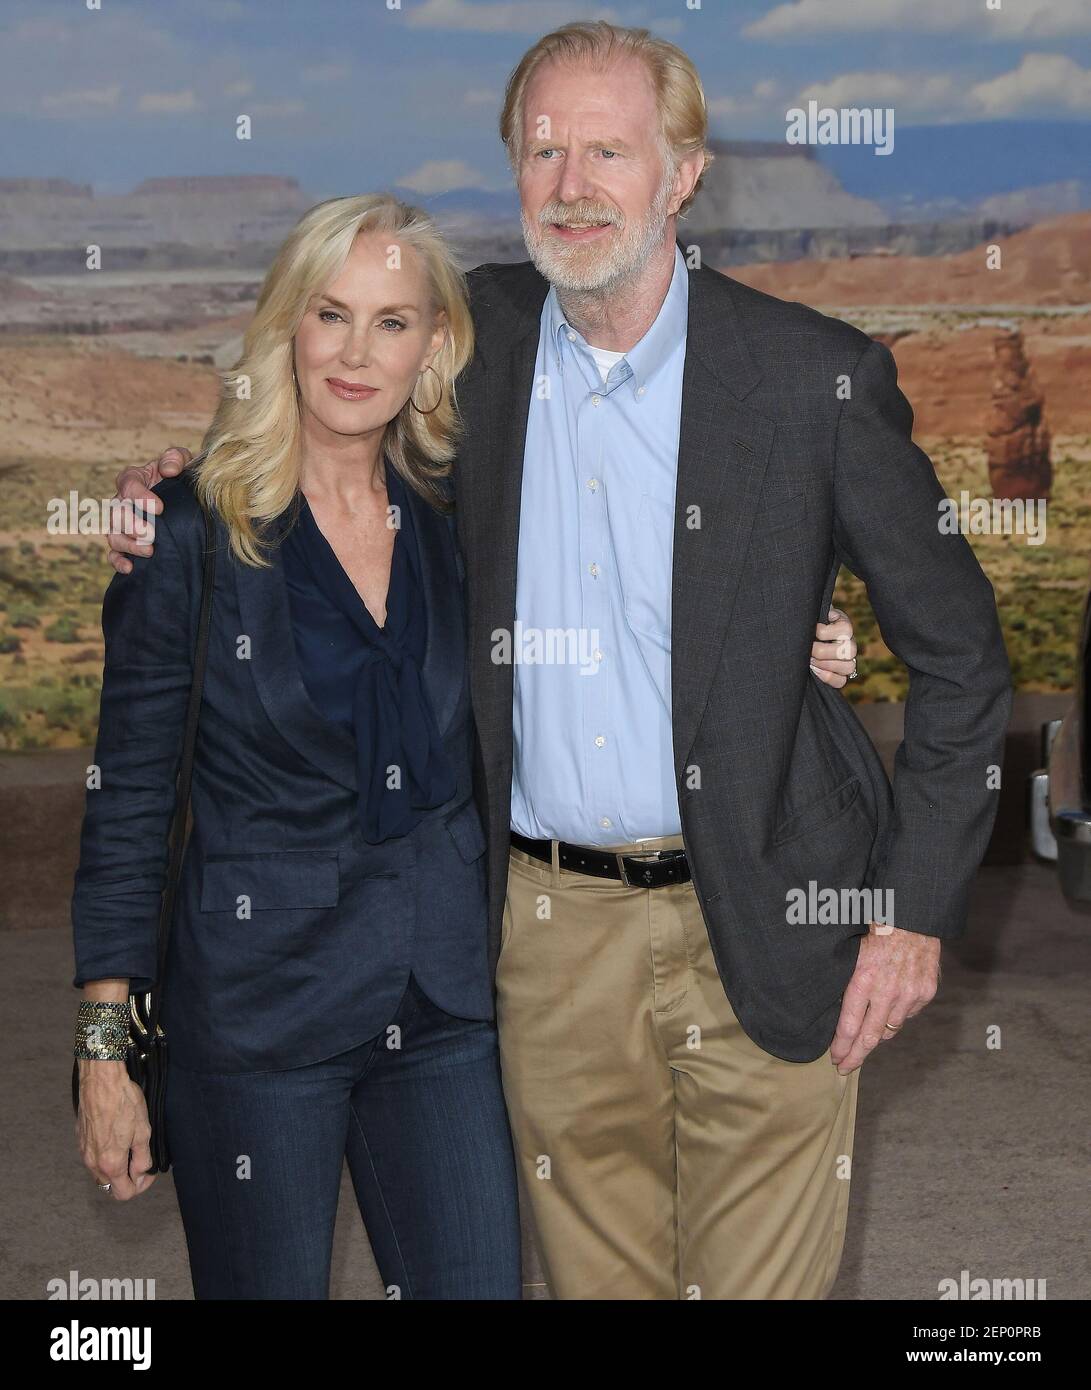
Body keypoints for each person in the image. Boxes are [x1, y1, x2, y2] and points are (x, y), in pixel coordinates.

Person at [100, 22, 955, 1301]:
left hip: (771, 914)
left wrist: (909, 910)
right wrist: (166, 490)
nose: (569, 182)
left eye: (606, 149)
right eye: (541, 149)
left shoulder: (811, 375)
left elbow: (964, 660)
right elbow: (320, 395)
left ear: (680, 174)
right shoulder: (475, 342)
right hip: (545, 943)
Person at [72, 194, 525, 1300]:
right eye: (331, 315)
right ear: (287, 326)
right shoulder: (190, 528)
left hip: (440, 1000)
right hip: (258, 1019)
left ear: (433, 347)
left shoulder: (458, 513)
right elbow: (130, 794)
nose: (356, 353)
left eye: (391, 322)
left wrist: (800, 639)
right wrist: (103, 1047)